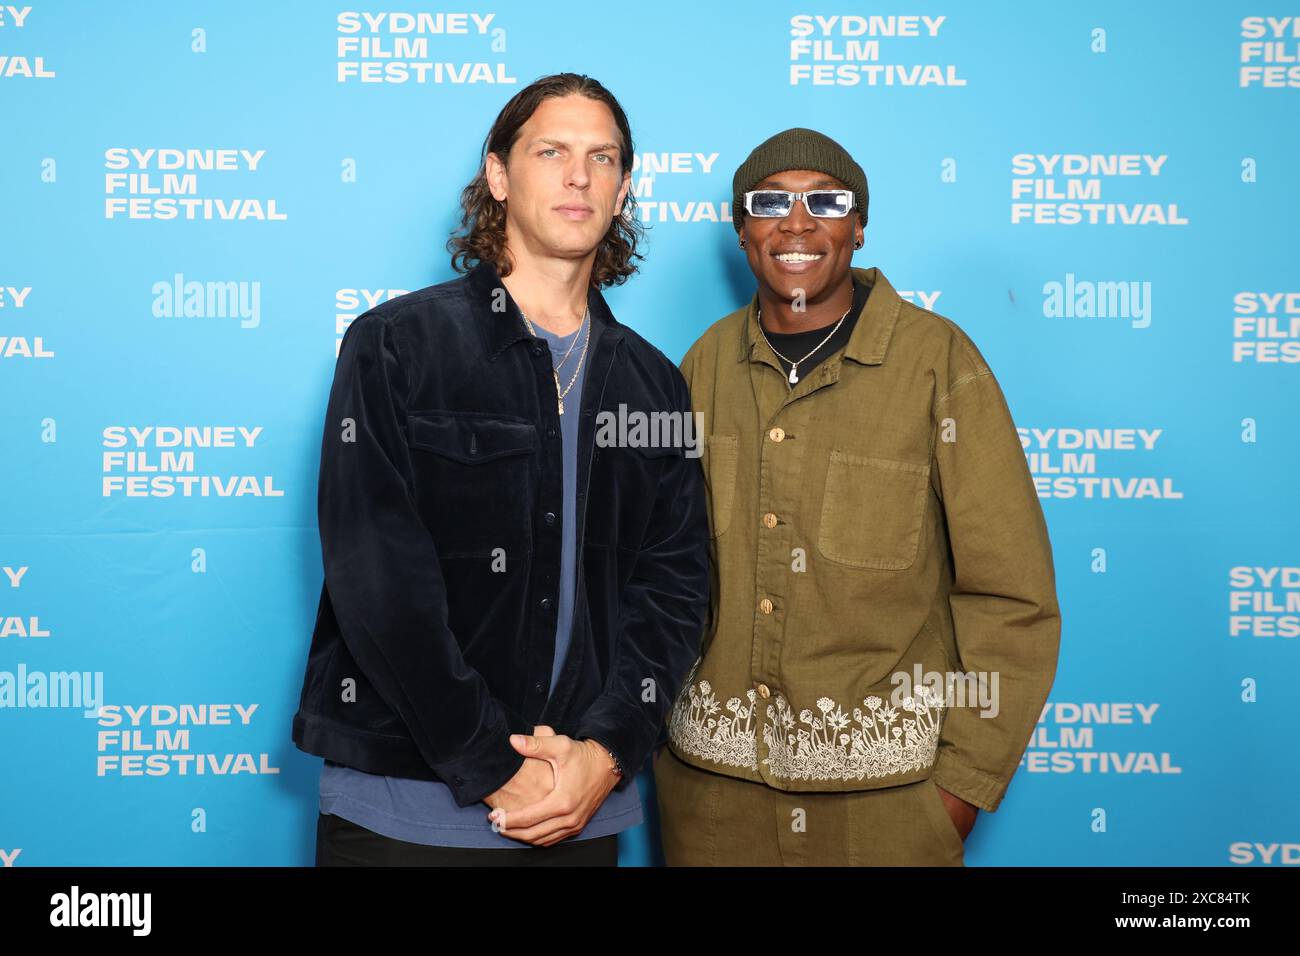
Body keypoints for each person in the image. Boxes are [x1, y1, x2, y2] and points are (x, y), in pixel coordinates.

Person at [292, 73, 710, 866]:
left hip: (582, 811)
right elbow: (377, 577)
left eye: (603, 157)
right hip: (403, 813)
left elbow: (675, 592)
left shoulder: (655, 384)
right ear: (497, 175)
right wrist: (490, 763)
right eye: (551, 151)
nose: (578, 175)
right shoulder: (396, 346)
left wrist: (606, 755)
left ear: (623, 189)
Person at [654, 128, 1061, 866]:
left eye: (827, 202)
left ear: (860, 226)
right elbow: (654, 572)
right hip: (710, 806)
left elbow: (1011, 596)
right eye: (770, 202)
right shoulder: (699, 367)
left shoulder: (939, 363)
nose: (798, 221)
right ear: (743, 231)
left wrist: (960, 789)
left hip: (889, 810)